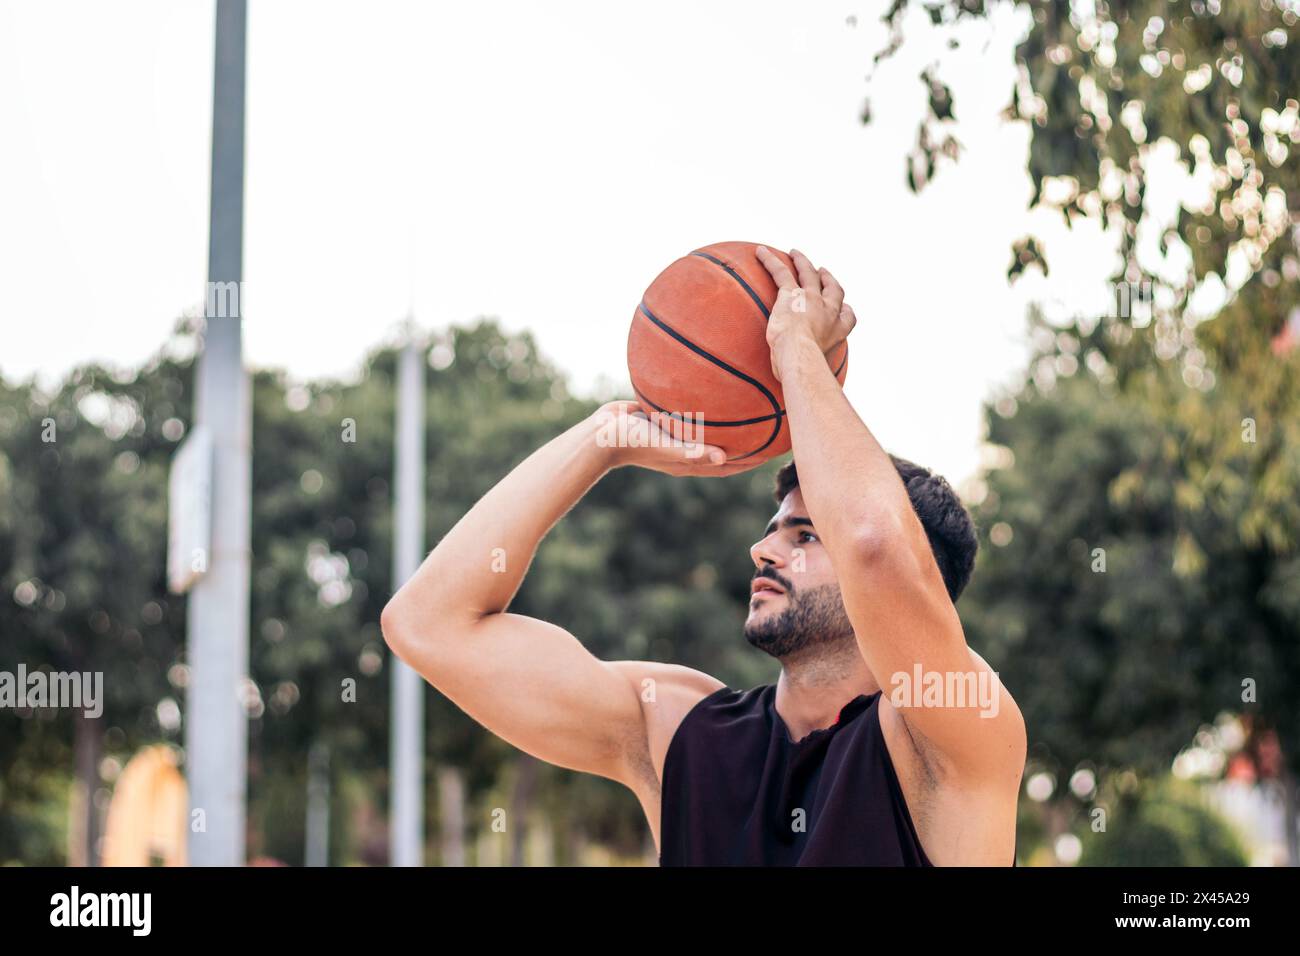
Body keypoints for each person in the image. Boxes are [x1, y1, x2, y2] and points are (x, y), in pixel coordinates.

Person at [381, 247, 1026, 865]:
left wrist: (797, 352)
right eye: (775, 528)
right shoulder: (681, 731)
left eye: (805, 535)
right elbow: (428, 625)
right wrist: (599, 439)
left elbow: (874, 543)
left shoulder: (953, 733)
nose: (763, 547)